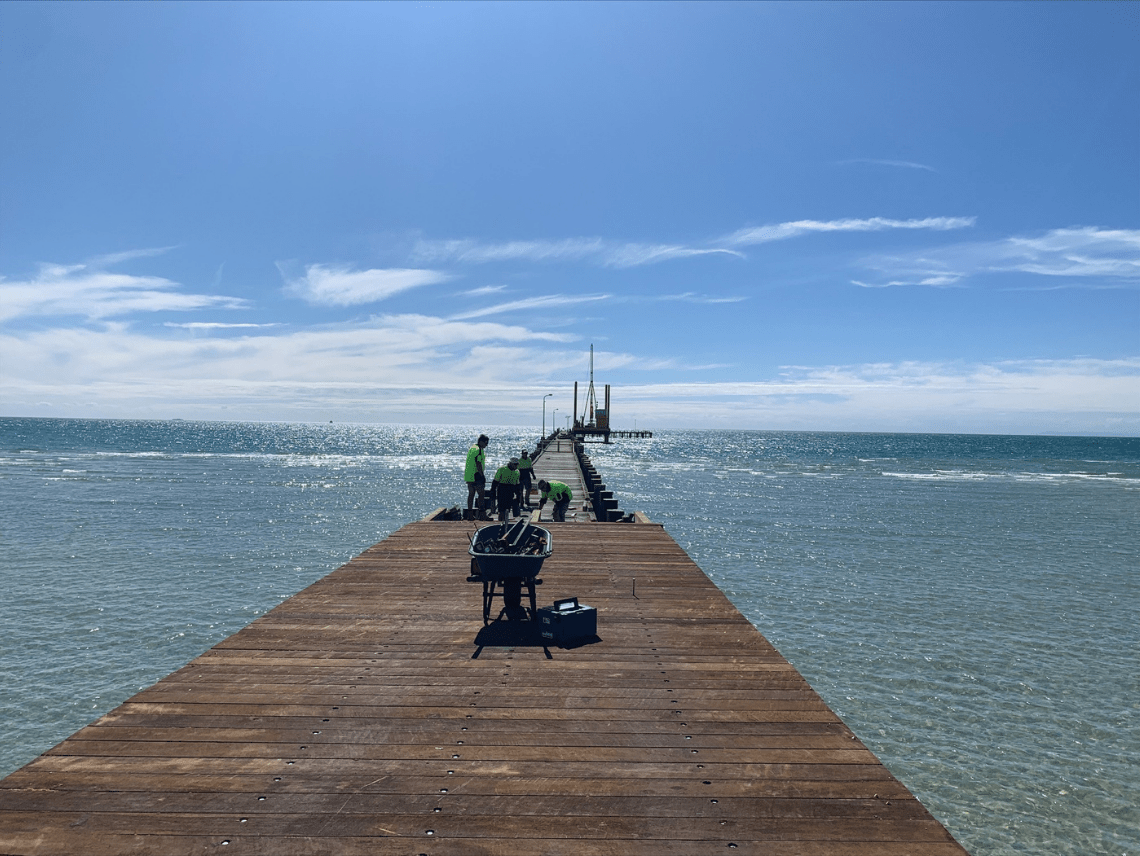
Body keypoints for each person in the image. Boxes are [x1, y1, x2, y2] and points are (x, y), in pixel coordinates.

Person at [464, 434, 489, 519]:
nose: (486, 445)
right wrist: (482, 476)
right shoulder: (478, 450)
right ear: (481, 442)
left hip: (469, 476)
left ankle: (470, 515)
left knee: (471, 495)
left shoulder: (472, 448)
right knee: (481, 494)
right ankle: (482, 514)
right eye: (486, 443)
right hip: (477, 476)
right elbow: (478, 463)